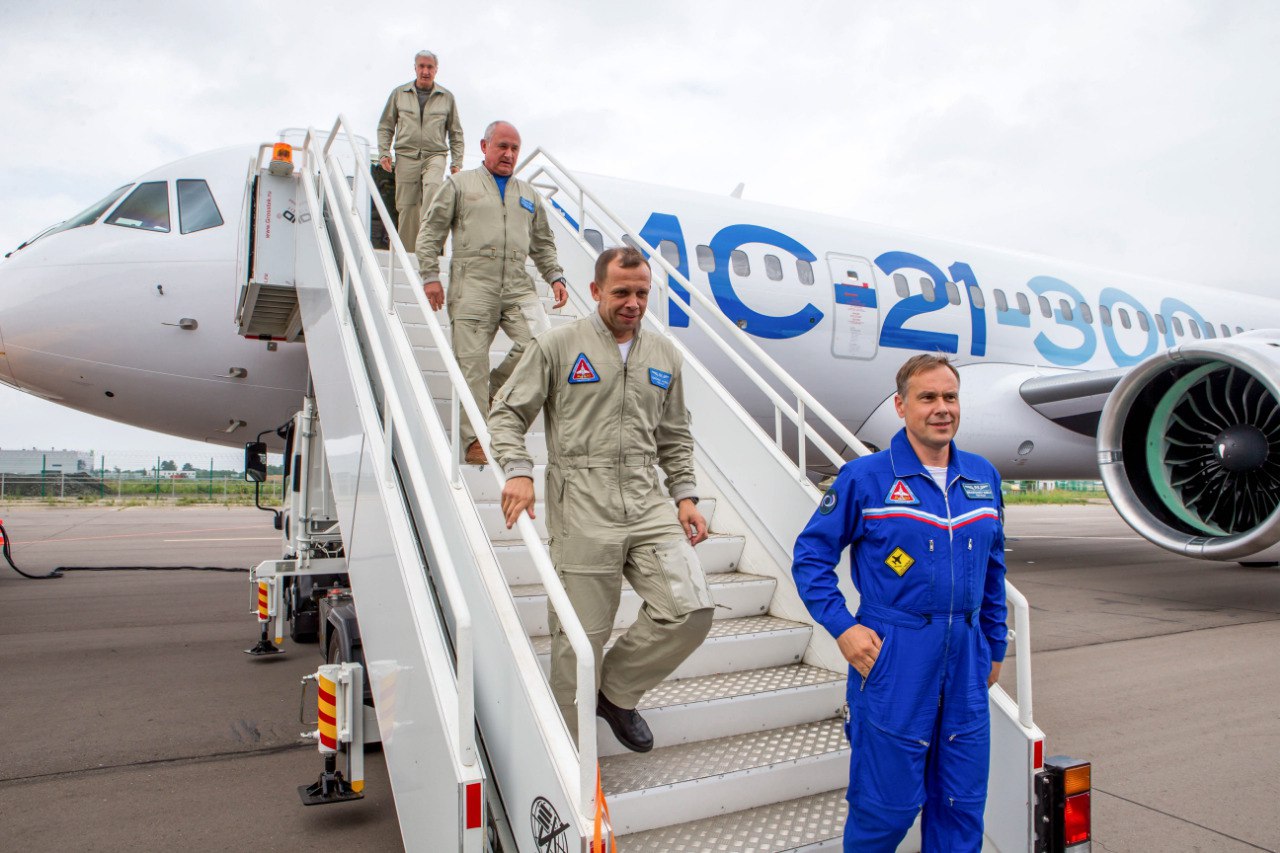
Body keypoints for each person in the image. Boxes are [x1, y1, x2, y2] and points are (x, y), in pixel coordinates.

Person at [489, 246, 715, 752]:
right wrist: (519, 471)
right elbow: (507, 414)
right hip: (581, 500)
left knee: (691, 610)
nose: (633, 303)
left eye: (642, 293)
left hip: (645, 496)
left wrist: (684, 495)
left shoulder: (665, 356)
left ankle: (614, 693)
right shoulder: (557, 346)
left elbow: (674, 435)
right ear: (595, 291)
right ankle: (570, 760)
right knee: (581, 639)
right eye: (621, 292)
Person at [790, 354, 1007, 852]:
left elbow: (994, 571)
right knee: (885, 807)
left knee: (961, 804)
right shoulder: (865, 478)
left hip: (967, 657)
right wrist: (843, 627)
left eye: (950, 397)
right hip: (894, 656)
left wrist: (995, 645)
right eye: (927, 397)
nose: (941, 408)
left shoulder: (983, 476)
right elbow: (810, 557)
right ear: (901, 405)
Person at [417, 120, 568, 464]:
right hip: (473, 283)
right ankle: (474, 440)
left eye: (514, 148)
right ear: (484, 147)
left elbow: (543, 243)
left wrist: (555, 276)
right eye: (502, 146)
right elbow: (431, 231)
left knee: (542, 343)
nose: (509, 154)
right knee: (472, 364)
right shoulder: (459, 185)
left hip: (517, 284)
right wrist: (430, 275)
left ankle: (493, 391)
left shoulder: (528, 195)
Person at [376, 50, 464, 253]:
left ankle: (428, 249)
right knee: (407, 207)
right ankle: (407, 256)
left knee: (433, 189)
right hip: (406, 155)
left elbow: (456, 132)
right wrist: (384, 152)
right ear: (415, 68)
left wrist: (456, 162)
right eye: (422, 66)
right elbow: (385, 126)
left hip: (435, 154)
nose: (425, 71)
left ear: (436, 70)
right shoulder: (399, 94)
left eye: (430, 67)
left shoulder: (447, 97)